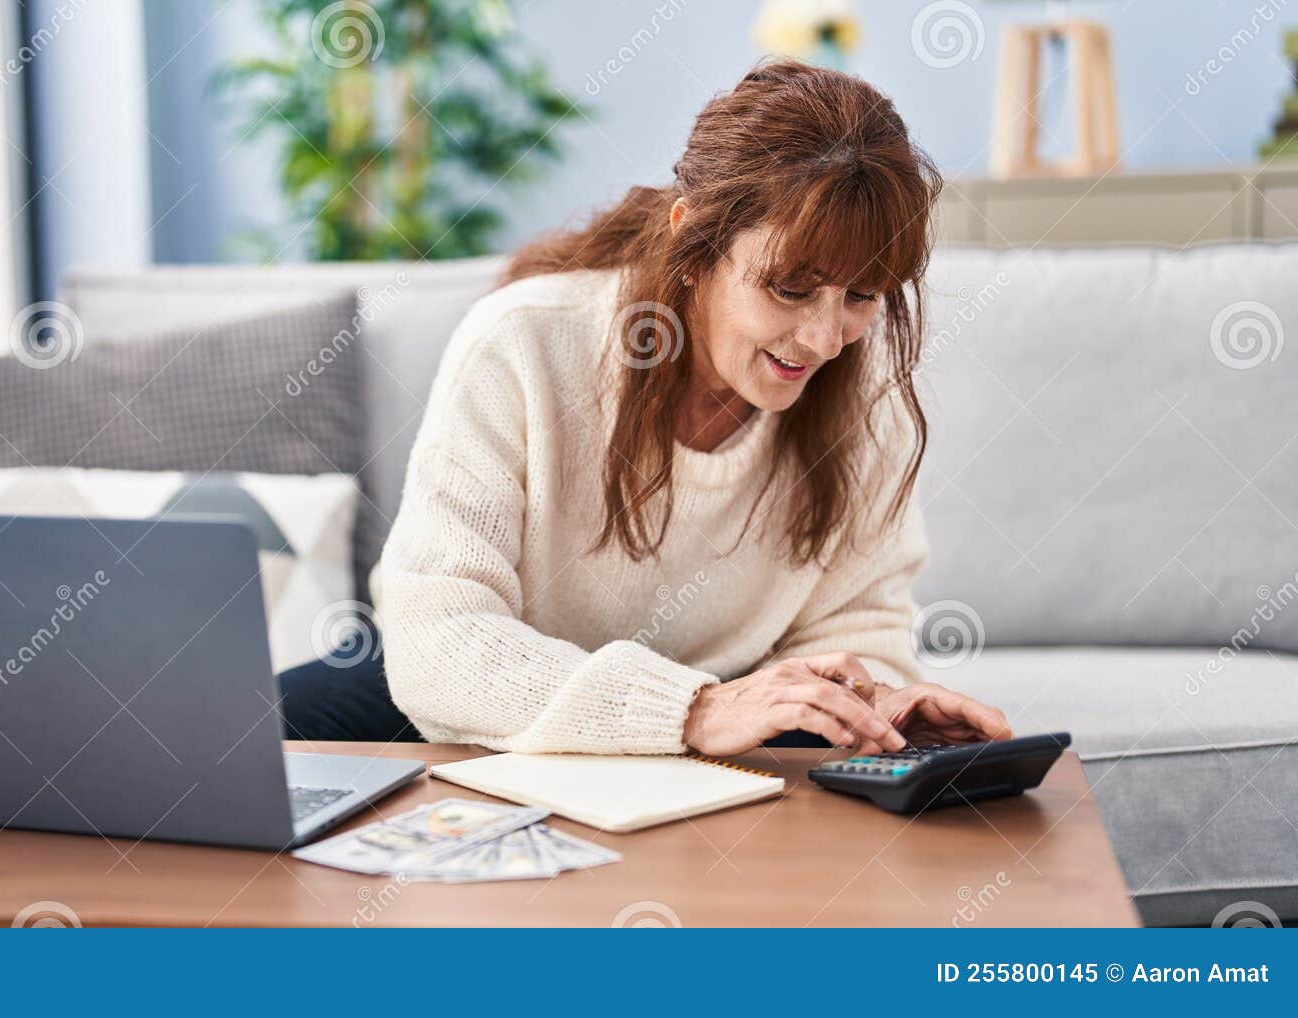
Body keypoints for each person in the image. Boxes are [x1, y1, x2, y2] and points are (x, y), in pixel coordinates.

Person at [280, 59, 1012, 756]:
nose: (825, 339)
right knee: (240, 730)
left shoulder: (865, 395)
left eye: (860, 295)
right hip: (500, 691)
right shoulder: (524, 344)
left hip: (728, 708)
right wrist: (691, 710)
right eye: (789, 289)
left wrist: (875, 706)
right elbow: (438, 641)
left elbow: (859, 623)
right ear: (693, 238)